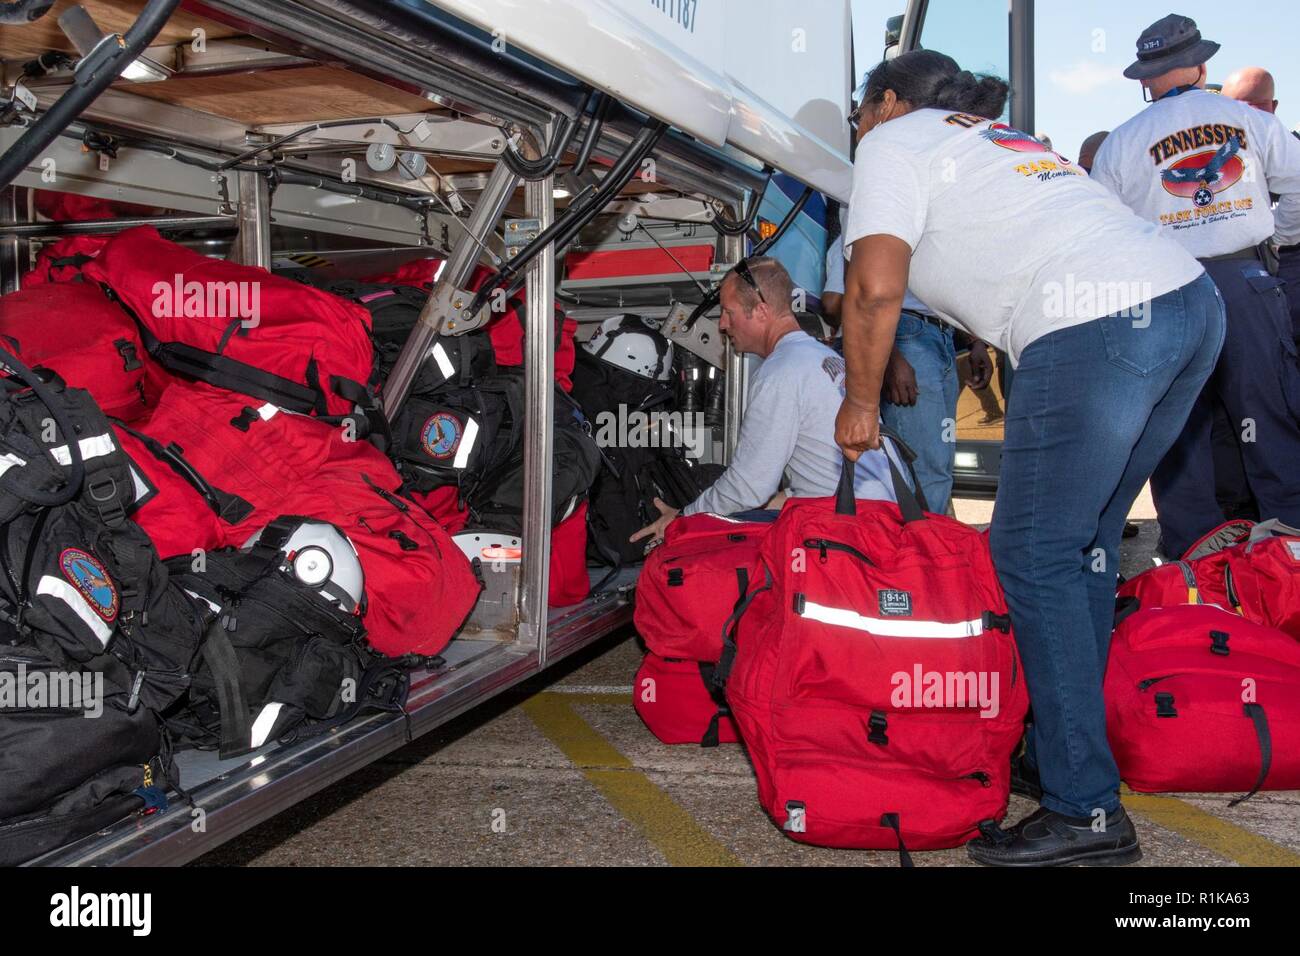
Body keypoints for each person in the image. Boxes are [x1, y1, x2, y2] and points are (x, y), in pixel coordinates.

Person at [834, 48, 1221, 866]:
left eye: (859, 114)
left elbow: (874, 286)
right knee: (1078, 550)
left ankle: (1083, 810)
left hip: (1103, 321)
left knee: (1032, 550)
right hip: (1187, 303)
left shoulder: (893, 142)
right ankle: (1062, 757)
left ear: (888, 102)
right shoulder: (993, 140)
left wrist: (860, 401)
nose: (856, 132)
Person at [1090, 15, 1300, 559]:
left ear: (1144, 79)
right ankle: (1287, 545)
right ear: (1202, 65)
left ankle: (1193, 550)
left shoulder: (1120, 143)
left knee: (1178, 421)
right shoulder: (1244, 119)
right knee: (1266, 409)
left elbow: (1099, 230)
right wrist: (1274, 239)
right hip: (1244, 279)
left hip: (1167, 291)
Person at [631, 256, 898, 547]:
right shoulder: (823, 358)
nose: (722, 324)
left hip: (847, 532)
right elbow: (816, 479)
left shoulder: (781, 371)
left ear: (760, 311)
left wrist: (683, 519)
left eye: (728, 313)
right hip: (882, 516)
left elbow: (748, 487)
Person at [824, 235, 989, 513]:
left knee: (938, 465)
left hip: (940, 334)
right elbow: (859, 298)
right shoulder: (870, 217)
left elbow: (945, 292)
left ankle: (929, 547)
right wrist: (890, 356)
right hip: (906, 334)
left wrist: (974, 341)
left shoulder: (929, 223)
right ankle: (922, 552)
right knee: (924, 472)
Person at [1221, 67, 1300, 344]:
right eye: (1240, 107)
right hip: (1239, 272)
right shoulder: (1216, 162)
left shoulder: (1292, 148)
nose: (1250, 115)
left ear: (1274, 106)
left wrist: (1275, 240)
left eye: (1257, 105)